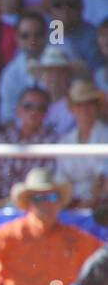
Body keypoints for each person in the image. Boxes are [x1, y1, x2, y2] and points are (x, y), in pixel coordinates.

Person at [0, 86, 59, 206]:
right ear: (18, 109)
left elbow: (40, 191)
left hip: (33, 206)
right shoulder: (3, 140)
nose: (33, 112)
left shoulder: (51, 142)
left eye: (40, 108)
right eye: (27, 106)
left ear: (46, 113)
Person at [55, 78, 108, 206]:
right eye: (78, 104)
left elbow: (103, 178)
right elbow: (61, 179)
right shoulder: (65, 141)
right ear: (72, 108)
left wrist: (87, 204)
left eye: (89, 103)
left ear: (97, 107)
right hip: (71, 204)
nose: (84, 109)